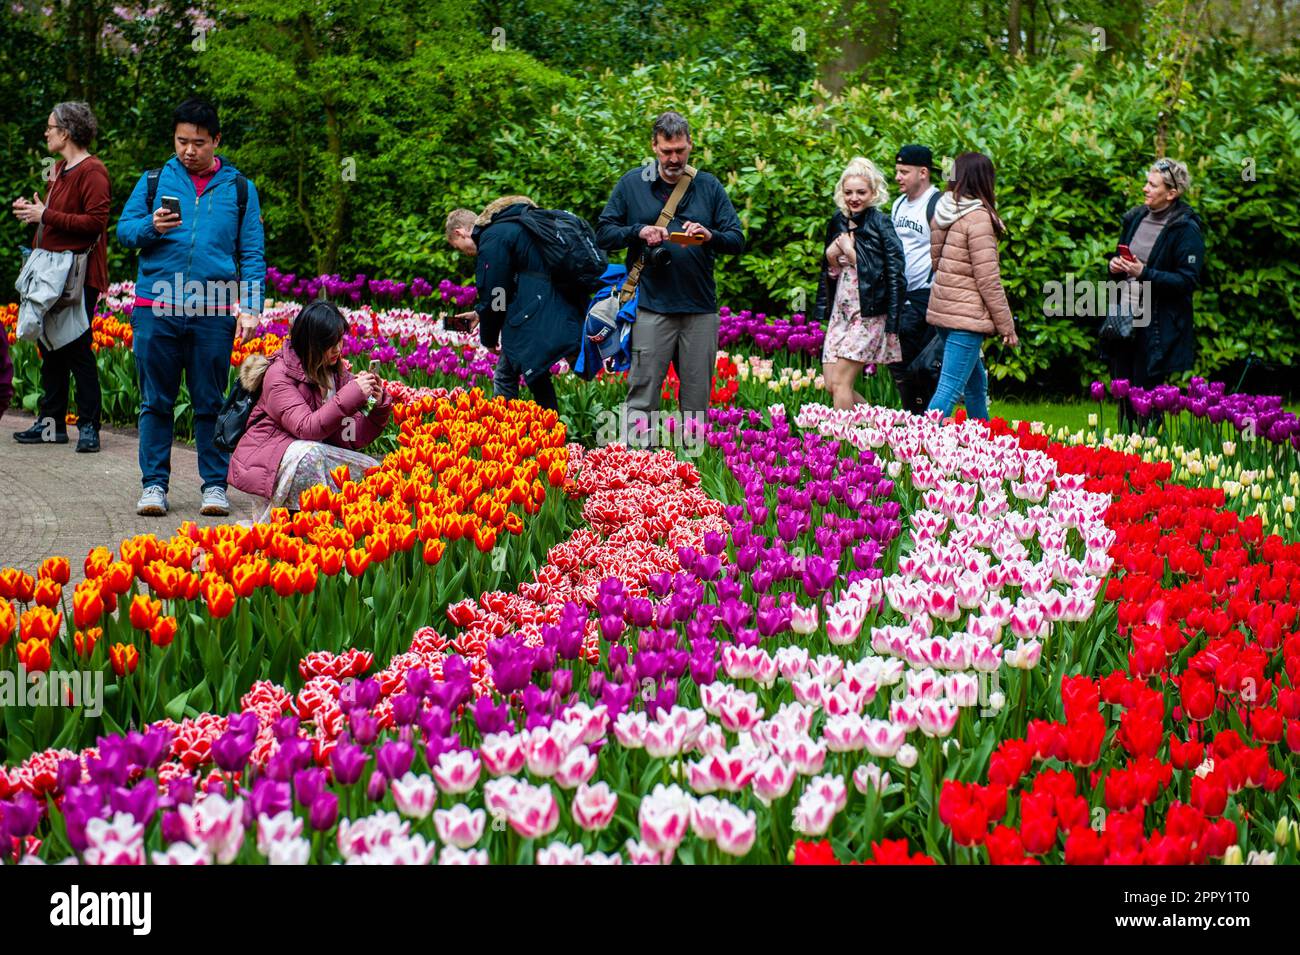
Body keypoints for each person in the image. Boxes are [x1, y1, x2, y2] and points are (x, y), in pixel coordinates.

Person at [117, 97, 266, 517]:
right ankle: (153, 486)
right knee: (155, 401)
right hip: (156, 303)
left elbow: (252, 252)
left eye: (198, 143)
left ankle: (214, 487)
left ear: (216, 140)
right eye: (182, 141)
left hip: (214, 308)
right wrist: (150, 227)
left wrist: (251, 306)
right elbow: (124, 232)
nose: (188, 150)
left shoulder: (240, 189)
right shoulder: (152, 181)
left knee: (209, 401)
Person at [596, 111, 745, 421]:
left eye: (680, 150)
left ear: (690, 144)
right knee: (642, 396)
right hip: (651, 307)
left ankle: (692, 466)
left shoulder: (709, 186)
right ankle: (640, 467)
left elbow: (736, 240)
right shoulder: (632, 184)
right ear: (654, 147)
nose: (674, 158)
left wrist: (709, 235)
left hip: (700, 308)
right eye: (667, 151)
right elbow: (604, 234)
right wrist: (638, 230)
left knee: (696, 403)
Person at [228, 301, 391, 519]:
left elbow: (353, 437)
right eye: (330, 343)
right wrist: (350, 395)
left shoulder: (334, 374)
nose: (338, 349)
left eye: (340, 340)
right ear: (310, 343)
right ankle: (303, 527)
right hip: (274, 458)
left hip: (313, 457)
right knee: (311, 454)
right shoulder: (279, 376)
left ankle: (338, 532)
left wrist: (377, 406)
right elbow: (306, 428)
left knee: (372, 471)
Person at [11, 102, 110, 452]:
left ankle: (89, 427)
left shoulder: (92, 171)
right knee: (50, 348)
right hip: (52, 274)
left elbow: (95, 223)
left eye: (50, 127)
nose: (46, 132)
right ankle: (51, 425)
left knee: (77, 348)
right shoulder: (59, 169)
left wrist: (47, 215)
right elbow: (56, 218)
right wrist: (37, 215)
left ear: (66, 132)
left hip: (78, 277)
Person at [443, 199, 581, 410]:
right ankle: (549, 433)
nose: (464, 252)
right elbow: (509, 283)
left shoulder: (492, 238)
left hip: (530, 313)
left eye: (458, 247)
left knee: (507, 376)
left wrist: (489, 337)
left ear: (461, 232)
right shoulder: (511, 227)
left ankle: (504, 431)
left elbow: (497, 291)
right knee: (534, 372)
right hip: (544, 306)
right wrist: (481, 313)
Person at [1105, 157, 1204, 432]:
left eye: (1152, 184)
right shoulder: (1136, 218)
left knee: (1147, 397)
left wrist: (1144, 273)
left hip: (1157, 326)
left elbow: (1187, 280)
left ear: (1171, 193)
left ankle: (1149, 459)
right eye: (1146, 182)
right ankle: (1122, 455)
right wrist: (1115, 266)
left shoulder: (1186, 229)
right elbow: (1123, 258)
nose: (1145, 188)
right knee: (1122, 393)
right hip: (1124, 318)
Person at [925, 152, 1019, 421]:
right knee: (950, 388)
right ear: (984, 180)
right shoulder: (977, 218)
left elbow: (936, 261)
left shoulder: (945, 210)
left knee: (976, 384)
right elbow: (988, 279)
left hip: (944, 310)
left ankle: (984, 443)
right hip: (966, 318)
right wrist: (1006, 326)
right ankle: (917, 449)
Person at [812, 157, 905, 410]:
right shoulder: (838, 221)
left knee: (842, 383)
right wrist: (832, 257)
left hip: (868, 314)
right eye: (849, 192)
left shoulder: (880, 223)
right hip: (840, 312)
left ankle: (844, 443)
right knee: (832, 383)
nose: (854, 198)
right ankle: (879, 425)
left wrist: (853, 255)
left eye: (861, 192)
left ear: (873, 193)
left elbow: (894, 272)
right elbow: (830, 271)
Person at [889, 144, 942, 413]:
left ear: (923, 172)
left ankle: (924, 418)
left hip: (925, 295)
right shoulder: (898, 204)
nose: (898, 177)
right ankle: (914, 417)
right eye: (897, 171)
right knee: (900, 362)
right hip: (900, 296)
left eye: (904, 172)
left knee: (923, 366)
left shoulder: (936, 203)